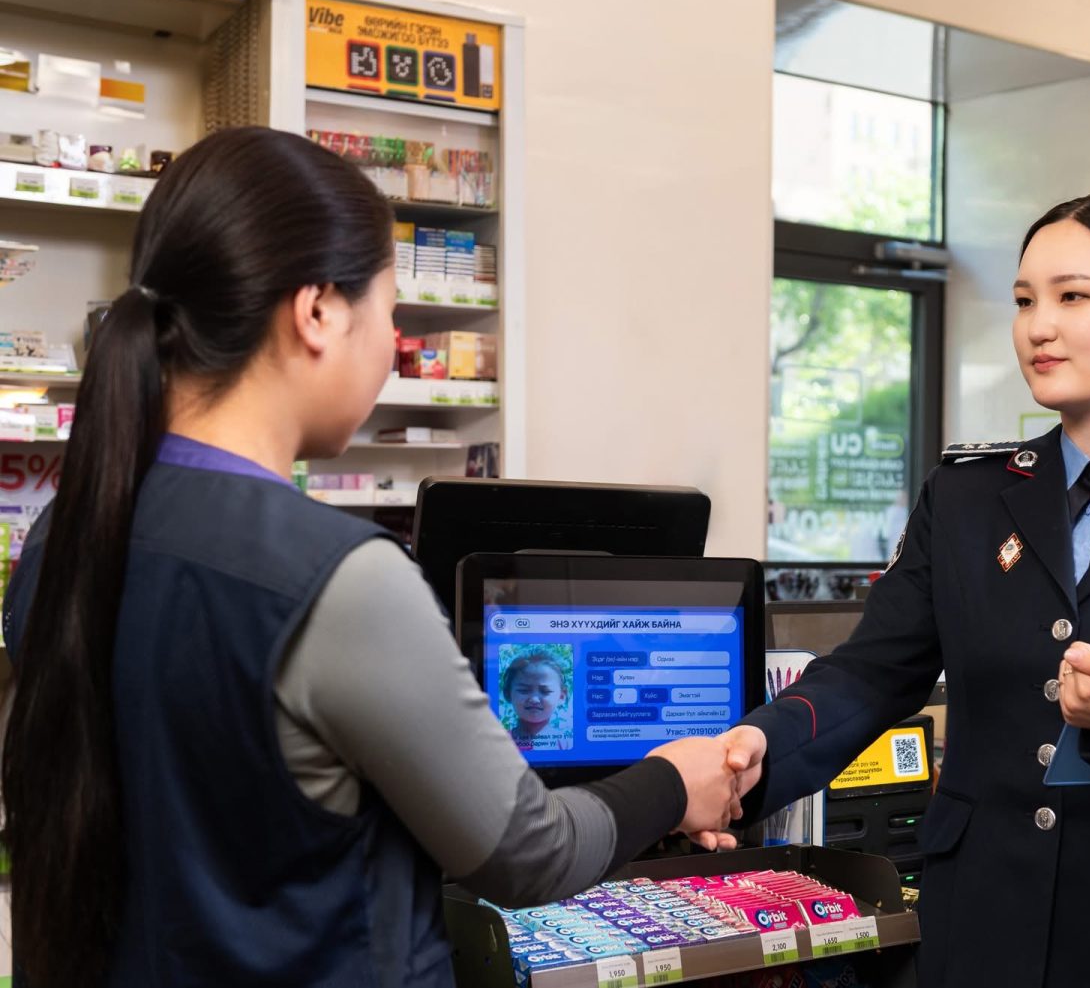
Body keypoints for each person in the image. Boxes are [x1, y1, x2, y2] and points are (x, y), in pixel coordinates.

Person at [0, 126, 744, 988]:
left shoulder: (59, 537)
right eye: (390, 311)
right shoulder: (340, 577)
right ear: (317, 311)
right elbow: (527, 852)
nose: (392, 343)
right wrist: (670, 781)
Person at [715, 194, 1090, 987]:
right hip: (978, 936)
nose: (1038, 326)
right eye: (1023, 300)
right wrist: (755, 750)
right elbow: (871, 675)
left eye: (1073, 296)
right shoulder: (965, 496)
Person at [501, 649, 575, 750]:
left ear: (561, 696)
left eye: (545, 691)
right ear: (507, 693)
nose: (534, 699)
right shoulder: (499, 743)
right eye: (524, 690)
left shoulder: (567, 744)